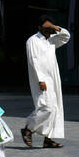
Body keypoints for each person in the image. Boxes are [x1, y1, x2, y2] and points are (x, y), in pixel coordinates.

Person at [21, 17, 71, 149]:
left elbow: (66, 37)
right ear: (39, 27)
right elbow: (34, 60)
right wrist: (40, 79)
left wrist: (56, 27)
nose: (49, 28)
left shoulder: (51, 41)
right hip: (41, 79)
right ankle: (28, 128)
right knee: (46, 107)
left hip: (53, 77)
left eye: (50, 26)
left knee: (55, 108)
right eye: (46, 26)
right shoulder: (33, 40)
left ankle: (48, 139)